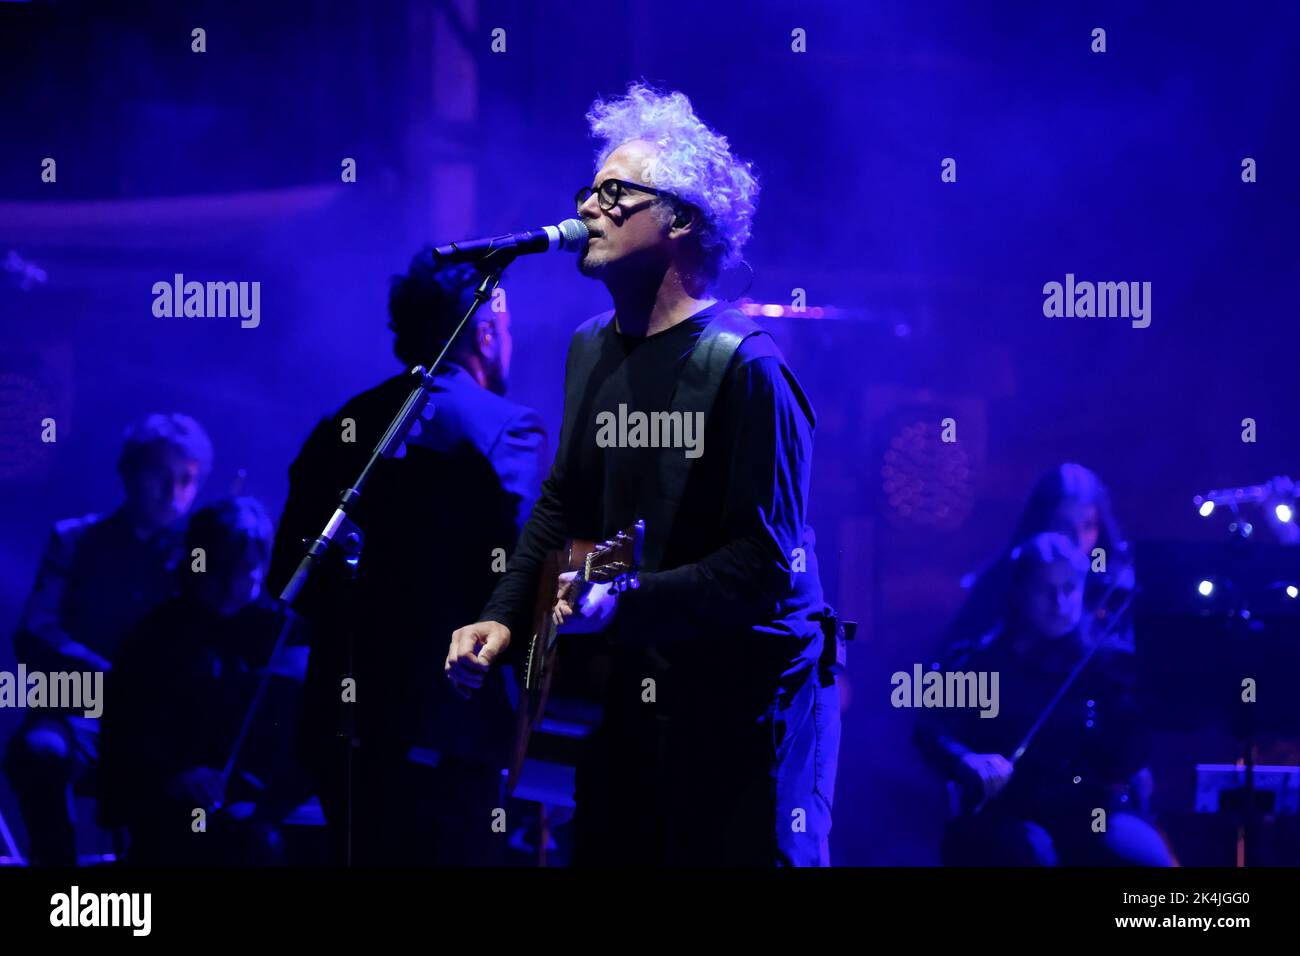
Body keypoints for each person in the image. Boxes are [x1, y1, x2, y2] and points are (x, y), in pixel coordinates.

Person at [446, 83, 841, 866]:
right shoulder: (591, 346)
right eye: (588, 189)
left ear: (682, 219)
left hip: (747, 702)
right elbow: (563, 500)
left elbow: (763, 566)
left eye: (616, 191)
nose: (589, 206)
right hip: (641, 680)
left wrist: (620, 600)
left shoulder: (747, 367)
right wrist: (503, 613)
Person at [268, 257, 546, 865]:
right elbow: (517, 581)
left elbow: (287, 580)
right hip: (447, 728)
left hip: (341, 725)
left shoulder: (341, 424)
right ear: (486, 331)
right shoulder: (506, 429)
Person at [5, 412, 212, 865]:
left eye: (188, 480)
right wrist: (118, 681)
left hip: (162, 728)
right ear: (130, 472)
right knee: (39, 752)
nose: (175, 492)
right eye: (161, 475)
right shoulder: (74, 540)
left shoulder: (198, 556)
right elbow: (35, 632)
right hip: (80, 717)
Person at [914, 532, 1173, 866]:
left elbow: (1125, 754)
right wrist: (967, 759)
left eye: (1070, 589)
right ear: (1020, 592)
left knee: (1146, 858)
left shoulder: (1106, 664)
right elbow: (928, 726)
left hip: (1091, 810)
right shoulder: (982, 660)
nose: (1060, 602)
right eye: (1045, 589)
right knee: (1032, 855)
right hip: (1007, 809)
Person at [97, 497, 309, 865]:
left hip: (259, 801)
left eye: (244, 571)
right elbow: (126, 731)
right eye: (218, 571)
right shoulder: (157, 633)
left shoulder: (281, 632)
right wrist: (174, 775)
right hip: (167, 797)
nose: (229, 587)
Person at [945, 463, 1135, 652]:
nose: (1077, 540)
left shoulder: (1114, 587)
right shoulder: (1002, 585)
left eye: (1088, 526)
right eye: (1063, 525)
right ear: (1042, 522)